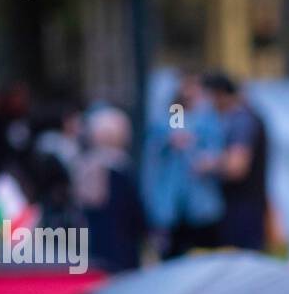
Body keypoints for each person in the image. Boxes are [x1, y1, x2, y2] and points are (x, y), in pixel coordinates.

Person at [143, 72, 224, 259]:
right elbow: (174, 135)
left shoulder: (206, 115)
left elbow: (213, 148)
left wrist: (207, 159)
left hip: (200, 202)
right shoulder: (176, 112)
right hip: (175, 202)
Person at [201, 71, 269, 251]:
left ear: (220, 95)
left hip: (241, 211)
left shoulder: (241, 120)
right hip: (243, 209)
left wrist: (207, 164)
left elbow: (237, 166)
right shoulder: (243, 118)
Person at [74, 107, 144, 273]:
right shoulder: (120, 166)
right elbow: (133, 210)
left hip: (92, 246)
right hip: (121, 248)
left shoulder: (84, 164)